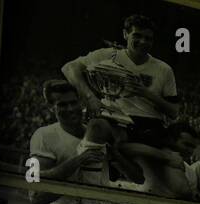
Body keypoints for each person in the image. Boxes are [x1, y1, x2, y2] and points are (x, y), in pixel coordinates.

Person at [62, 12, 179, 145]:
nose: (143, 42)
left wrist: (145, 93)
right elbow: (69, 68)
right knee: (95, 128)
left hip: (149, 124)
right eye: (137, 36)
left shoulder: (164, 69)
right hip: (114, 118)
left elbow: (174, 112)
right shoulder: (109, 55)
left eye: (148, 38)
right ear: (125, 34)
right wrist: (90, 97)